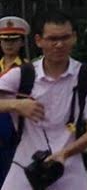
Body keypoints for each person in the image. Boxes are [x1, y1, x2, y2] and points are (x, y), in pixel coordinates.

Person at [0, 9, 87, 190]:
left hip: (69, 167)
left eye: (65, 37)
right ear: (39, 41)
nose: (59, 45)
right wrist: (17, 104)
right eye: (52, 39)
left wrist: (65, 154)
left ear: (74, 37)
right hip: (24, 166)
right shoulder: (24, 75)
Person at [0, 17, 30, 186]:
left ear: (21, 43)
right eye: (4, 40)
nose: (8, 44)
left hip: (15, 135)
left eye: (13, 40)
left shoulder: (28, 71)